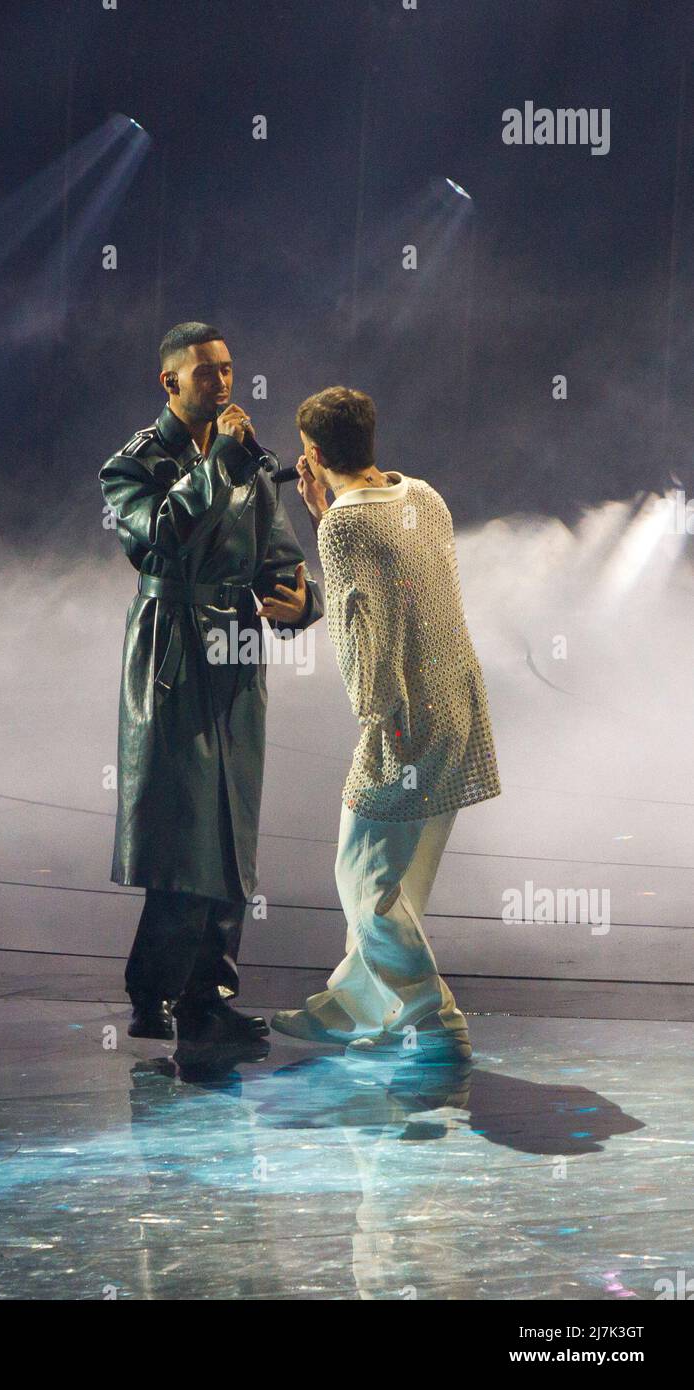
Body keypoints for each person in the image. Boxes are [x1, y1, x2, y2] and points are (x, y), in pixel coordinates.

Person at [99, 323, 324, 1055]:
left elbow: (280, 560)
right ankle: (155, 985)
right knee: (184, 827)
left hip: (237, 651)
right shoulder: (133, 465)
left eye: (227, 369)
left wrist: (302, 603)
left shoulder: (248, 465)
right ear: (169, 382)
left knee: (230, 830)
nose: (221, 384)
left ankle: (207, 993)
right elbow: (159, 537)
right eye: (205, 373)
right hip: (172, 649)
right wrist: (218, 464)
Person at [271, 387, 501, 1059]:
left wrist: (376, 716)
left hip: (407, 722)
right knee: (400, 880)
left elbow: (357, 629)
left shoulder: (343, 527)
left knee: (362, 880)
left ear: (311, 454)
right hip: (459, 708)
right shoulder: (423, 496)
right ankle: (357, 1007)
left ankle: (432, 1017)